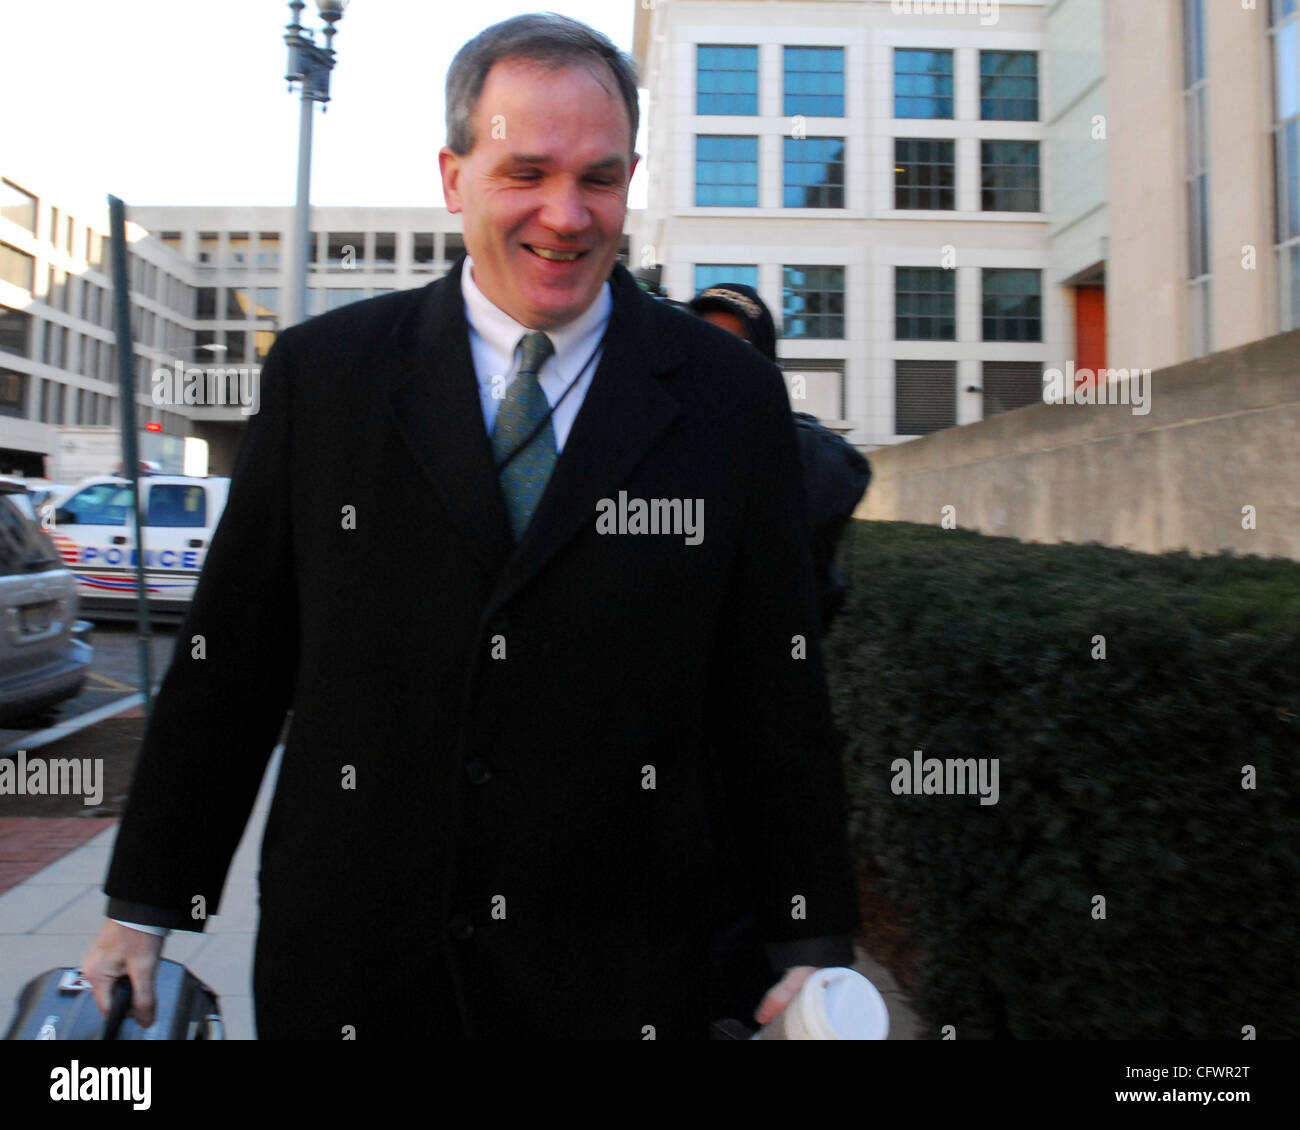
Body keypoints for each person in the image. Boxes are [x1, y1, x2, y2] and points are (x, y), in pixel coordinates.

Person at [81, 13, 859, 1040]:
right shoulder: (326, 377)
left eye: (600, 176)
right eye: (525, 171)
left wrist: (810, 947)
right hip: (357, 956)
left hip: (622, 968)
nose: (566, 213)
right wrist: (145, 907)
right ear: (452, 177)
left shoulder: (728, 399)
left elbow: (773, 687)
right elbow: (234, 663)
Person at [688, 283, 872, 632]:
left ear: (762, 368)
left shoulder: (807, 453)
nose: (710, 357)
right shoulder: (658, 443)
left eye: (731, 347)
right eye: (698, 341)